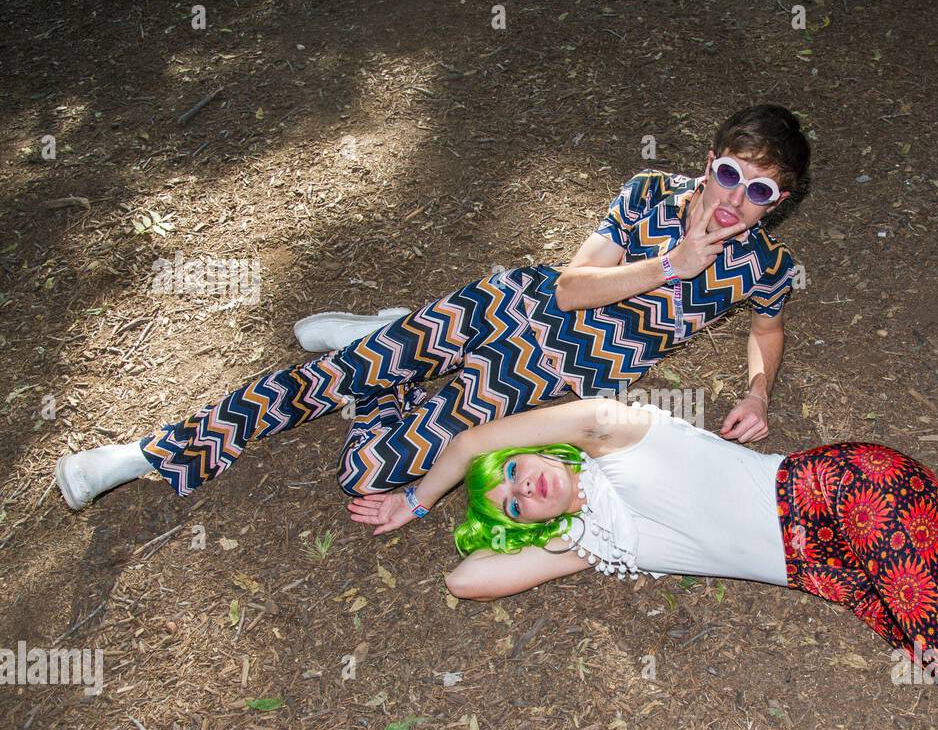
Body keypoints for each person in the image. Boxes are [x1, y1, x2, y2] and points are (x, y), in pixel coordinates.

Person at [56, 105, 809, 509]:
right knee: (328, 378)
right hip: (508, 308)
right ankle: (148, 454)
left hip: (547, 383)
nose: (736, 199)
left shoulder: (761, 264)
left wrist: (757, 387)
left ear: (778, 206)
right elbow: (573, 285)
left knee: (369, 473)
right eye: (729, 173)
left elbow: (766, 329)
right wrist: (668, 266)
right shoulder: (648, 193)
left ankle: (397, 353)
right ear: (709, 160)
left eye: (761, 191)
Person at [345, 397, 938, 725]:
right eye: (510, 505)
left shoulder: (612, 435)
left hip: (844, 495)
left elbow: (474, 438)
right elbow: (467, 580)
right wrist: (512, 535)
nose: (521, 484)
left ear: (548, 449)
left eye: (518, 473)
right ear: (527, 529)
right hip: (835, 573)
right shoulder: (600, 543)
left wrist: (419, 497)